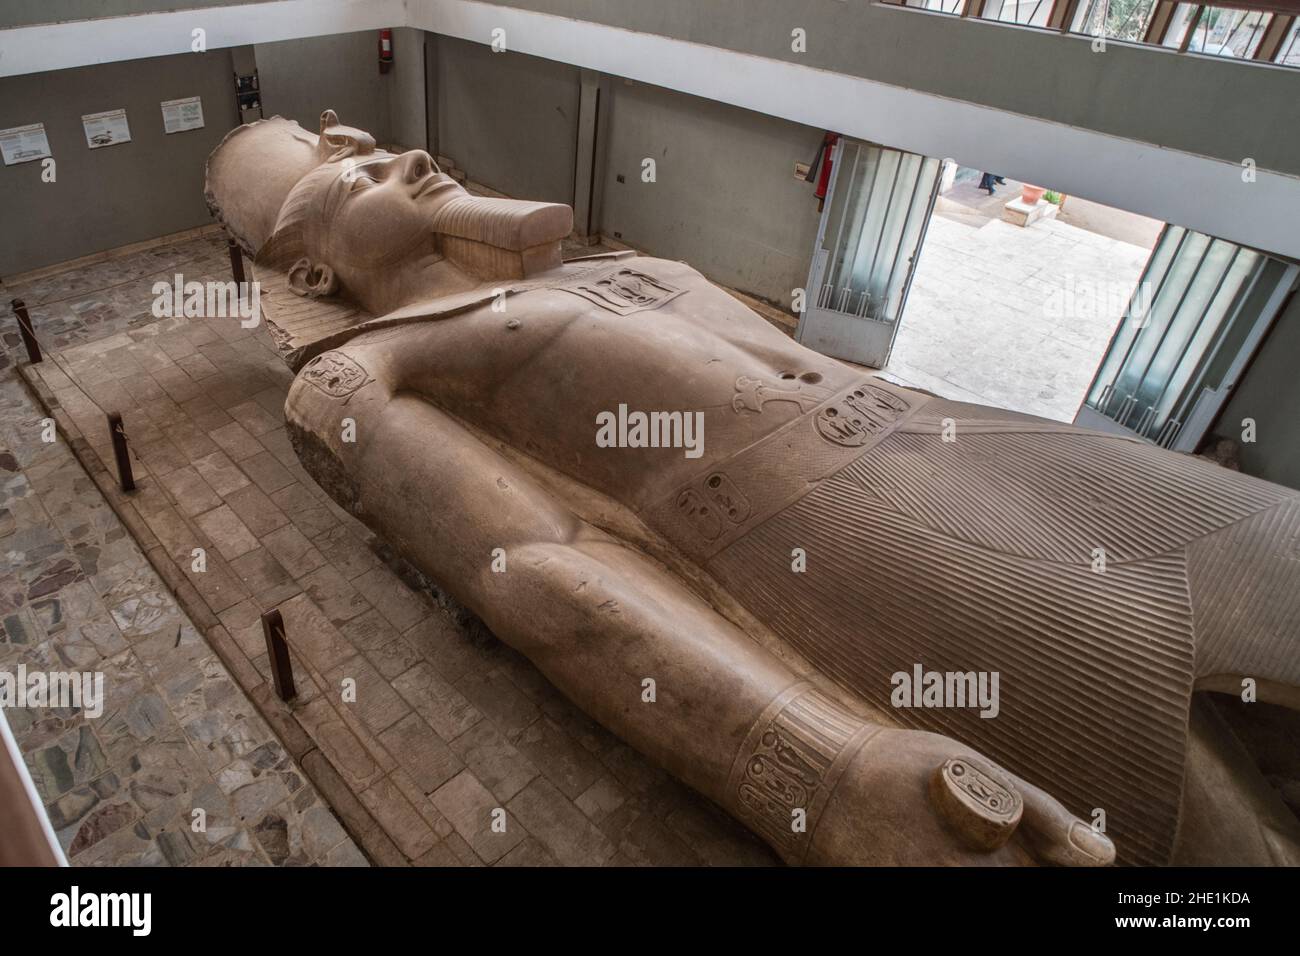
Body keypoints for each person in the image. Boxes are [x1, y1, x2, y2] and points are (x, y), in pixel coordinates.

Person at [205, 113, 1300, 866]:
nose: (411, 160)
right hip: (868, 546)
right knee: (1206, 836)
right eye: (359, 176)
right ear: (310, 273)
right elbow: (540, 566)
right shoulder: (367, 373)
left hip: (969, 437)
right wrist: (825, 771)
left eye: (391, 148)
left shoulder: (582, 270)